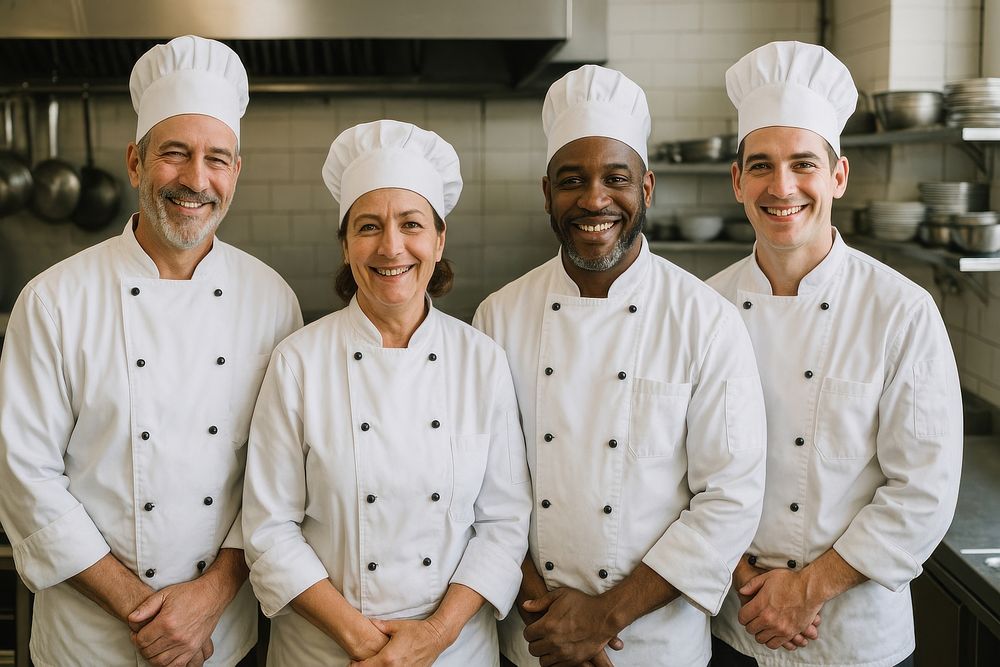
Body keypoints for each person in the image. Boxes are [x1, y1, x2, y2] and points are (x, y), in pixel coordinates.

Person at [0, 35, 302, 666]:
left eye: (217, 158)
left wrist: (207, 601)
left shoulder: (271, 300)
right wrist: (148, 614)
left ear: (236, 172)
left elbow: (280, 477)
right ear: (135, 163)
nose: (196, 180)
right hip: (90, 645)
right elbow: (28, 480)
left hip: (219, 639)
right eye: (175, 154)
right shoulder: (54, 299)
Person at [473, 64, 768, 667]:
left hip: (657, 646)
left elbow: (729, 496)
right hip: (536, 644)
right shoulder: (498, 317)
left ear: (648, 188)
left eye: (616, 178)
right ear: (546, 192)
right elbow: (479, 491)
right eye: (571, 180)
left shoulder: (704, 319)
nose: (593, 200)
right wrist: (555, 626)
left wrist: (601, 619)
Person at [707, 41, 963, 667]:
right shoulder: (705, 311)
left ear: (839, 177)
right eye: (761, 166)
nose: (782, 187)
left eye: (803, 164)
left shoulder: (901, 310)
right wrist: (753, 586)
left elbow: (923, 489)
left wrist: (807, 589)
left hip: (855, 640)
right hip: (735, 628)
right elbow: (682, 477)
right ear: (738, 182)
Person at [241, 119, 532, 666]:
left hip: (453, 653)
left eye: (412, 224)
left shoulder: (481, 360)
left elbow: (503, 523)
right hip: (326, 652)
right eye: (369, 226)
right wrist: (361, 640)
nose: (391, 246)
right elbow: (269, 529)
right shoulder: (299, 361)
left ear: (439, 240)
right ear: (347, 245)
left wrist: (435, 636)